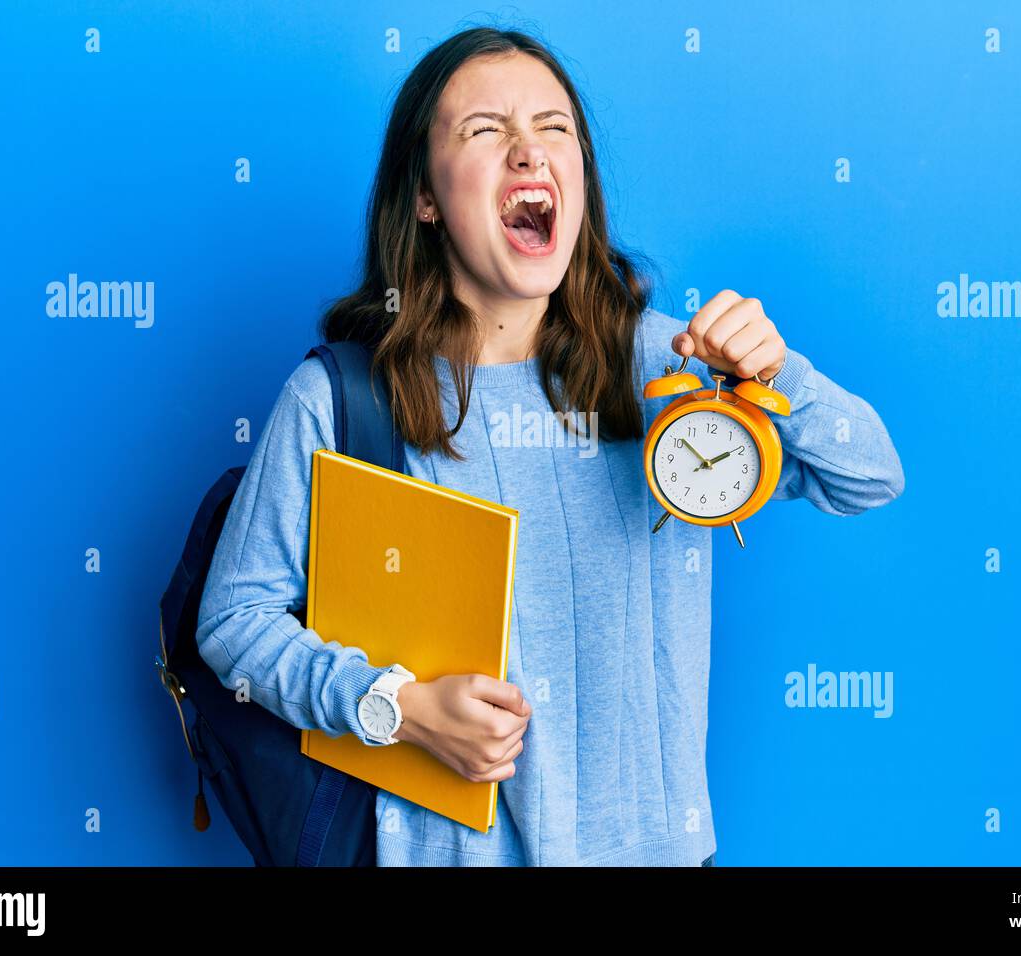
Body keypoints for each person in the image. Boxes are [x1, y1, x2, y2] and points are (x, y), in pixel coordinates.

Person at [196, 26, 905, 867]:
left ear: (579, 178)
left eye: (555, 127)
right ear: (424, 195)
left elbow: (869, 476)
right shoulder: (344, 401)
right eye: (485, 130)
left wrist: (780, 371)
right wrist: (400, 708)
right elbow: (233, 623)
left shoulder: (666, 369)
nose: (530, 151)